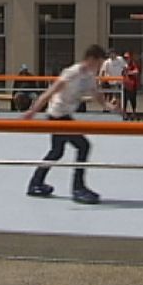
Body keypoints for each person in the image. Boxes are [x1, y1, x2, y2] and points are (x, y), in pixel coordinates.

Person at [25, 44, 119, 205]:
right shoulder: (72, 73)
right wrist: (32, 112)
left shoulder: (89, 76)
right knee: (83, 146)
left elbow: (97, 95)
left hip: (65, 116)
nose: (100, 67)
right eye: (99, 63)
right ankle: (78, 188)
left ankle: (35, 183)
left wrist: (110, 107)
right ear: (91, 59)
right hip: (57, 116)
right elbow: (50, 92)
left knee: (56, 152)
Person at [121, 52, 140, 116]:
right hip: (125, 84)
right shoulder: (123, 65)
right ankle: (124, 112)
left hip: (132, 85)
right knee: (124, 99)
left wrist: (129, 72)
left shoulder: (133, 64)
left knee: (132, 99)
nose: (126, 59)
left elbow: (137, 71)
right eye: (125, 58)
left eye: (127, 58)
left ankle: (134, 112)